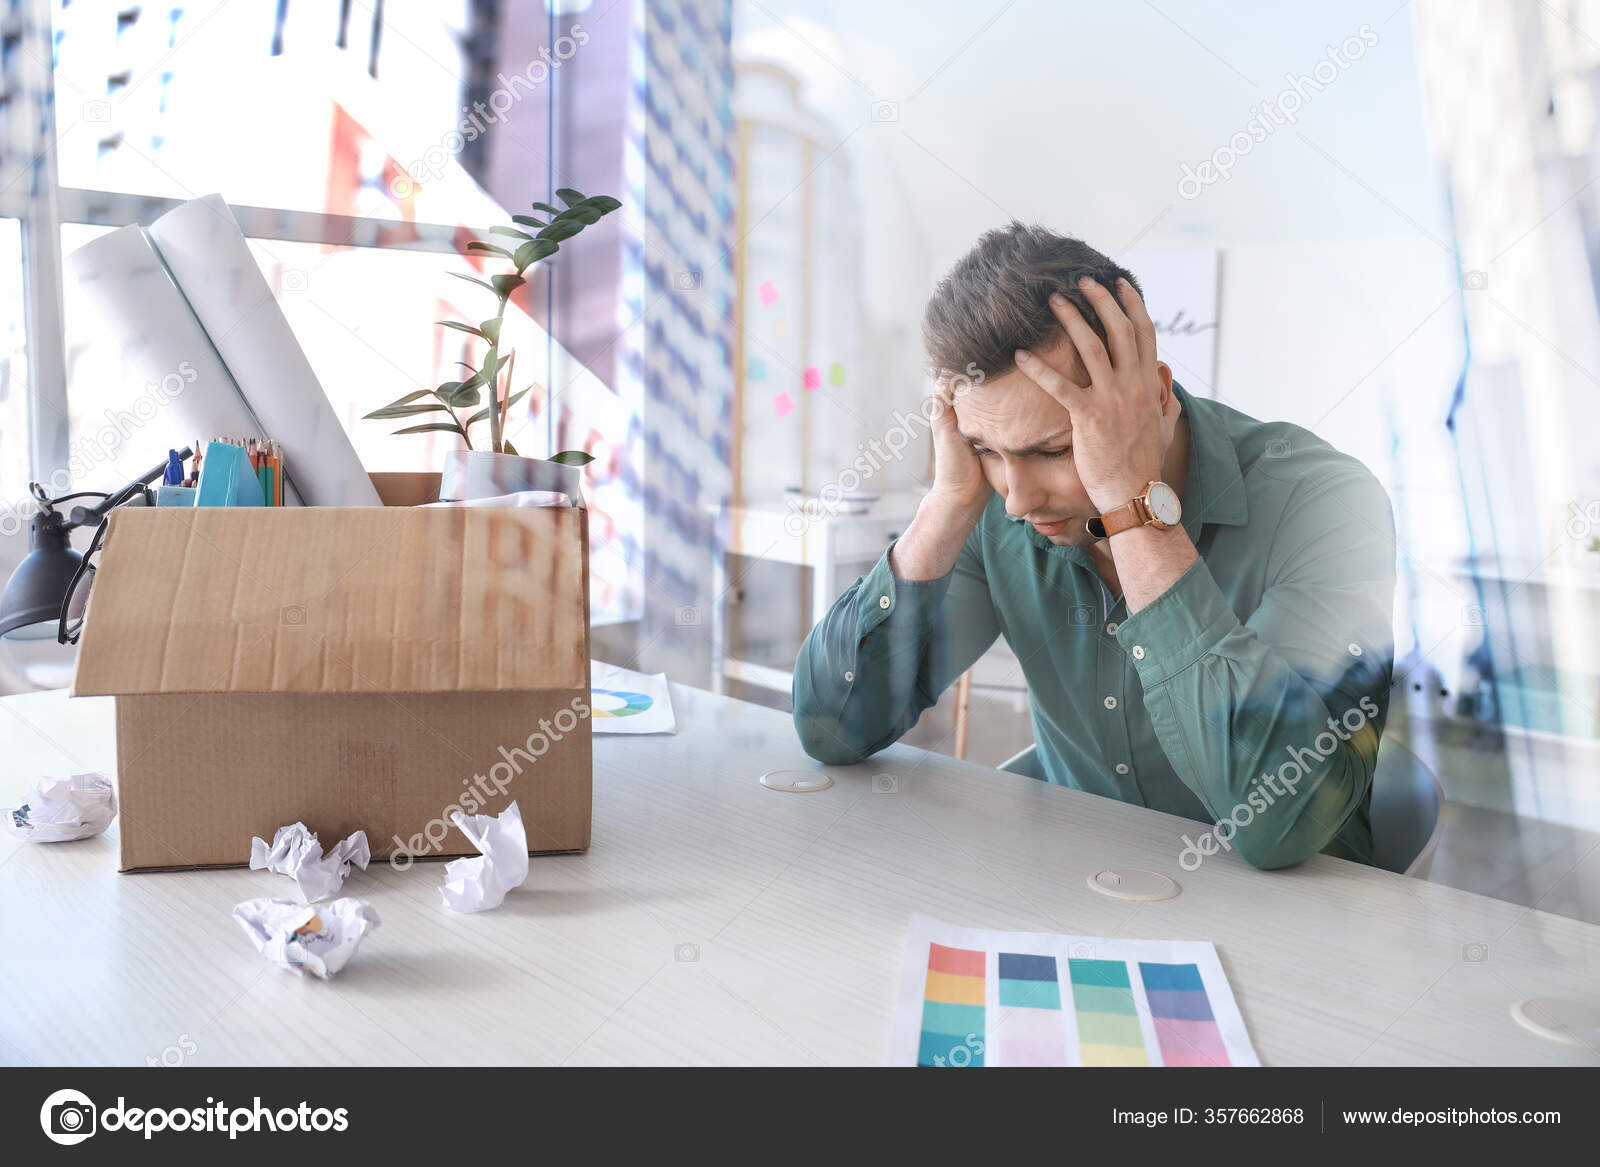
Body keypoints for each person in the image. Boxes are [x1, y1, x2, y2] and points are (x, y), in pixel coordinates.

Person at [791, 221, 1396, 869]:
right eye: (986, 449)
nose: (1018, 500)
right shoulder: (996, 507)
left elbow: (1280, 820)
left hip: (1305, 930)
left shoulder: (1325, 502)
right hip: (1085, 894)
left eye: (1052, 450)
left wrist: (1134, 509)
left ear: (1153, 396)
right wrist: (946, 503)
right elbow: (831, 728)